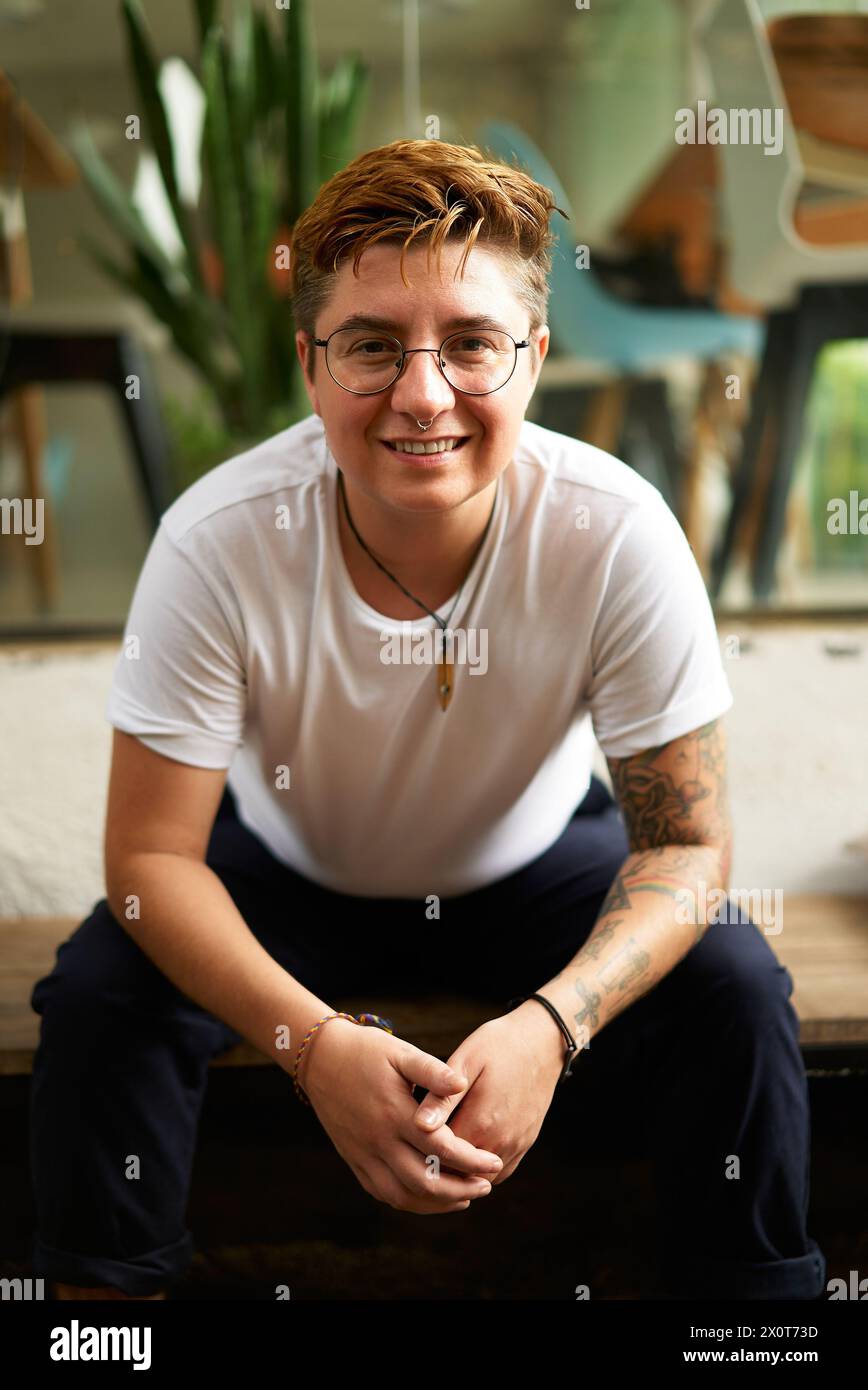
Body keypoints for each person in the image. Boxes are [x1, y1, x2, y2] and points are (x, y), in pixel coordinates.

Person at [29, 138, 825, 1302]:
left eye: (470, 344)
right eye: (369, 346)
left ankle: (756, 1324)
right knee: (102, 992)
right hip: (292, 869)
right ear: (310, 363)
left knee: (737, 985)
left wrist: (552, 1026)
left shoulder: (617, 531)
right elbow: (151, 855)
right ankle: (103, 1323)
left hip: (535, 855)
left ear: (534, 358)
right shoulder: (219, 538)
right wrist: (312, 1045)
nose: (421, 393)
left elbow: (687, 845)